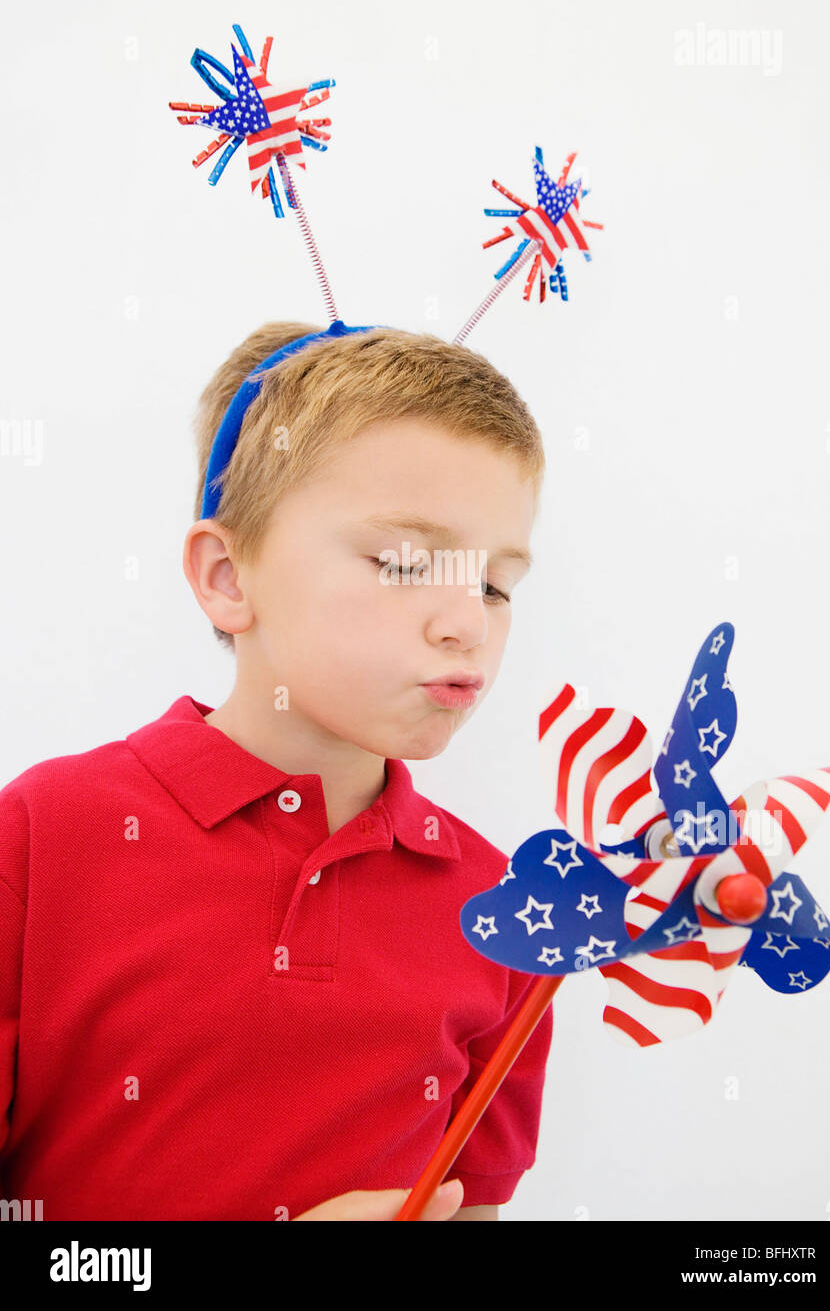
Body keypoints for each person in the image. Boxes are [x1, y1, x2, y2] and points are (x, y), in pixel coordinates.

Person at [0, 321, 553, 1221]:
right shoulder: (42, 838)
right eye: (406, 562)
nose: (467, 622)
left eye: (496, 584)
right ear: (227, 575)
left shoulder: (509, 909)